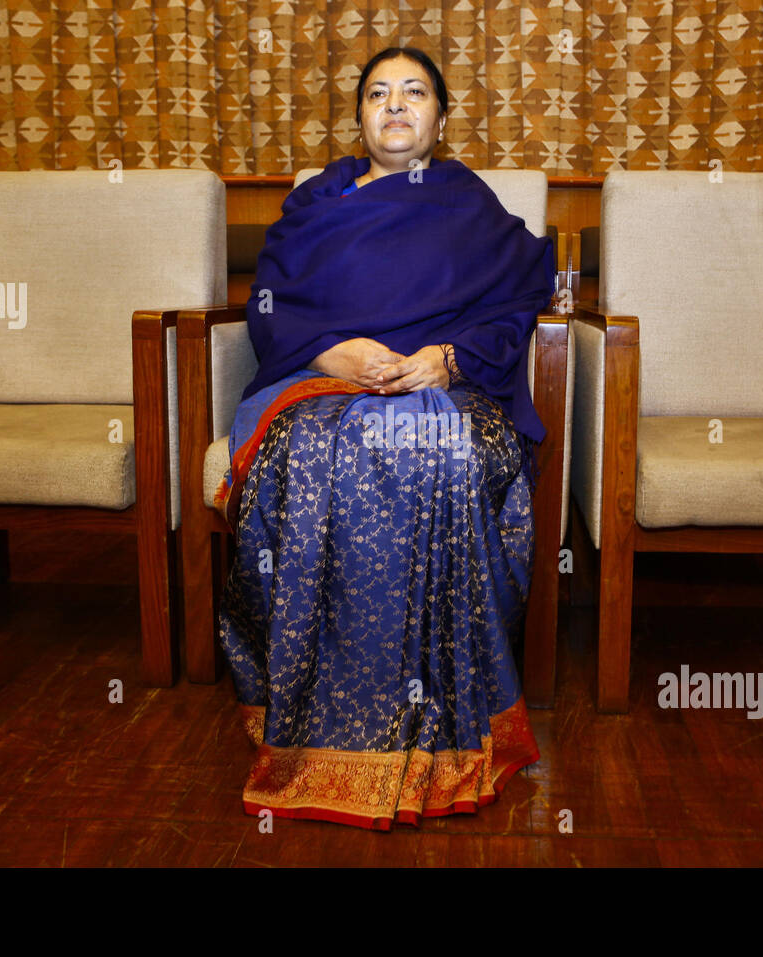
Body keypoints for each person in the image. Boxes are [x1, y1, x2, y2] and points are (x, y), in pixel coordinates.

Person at [215, 46, 555, 830]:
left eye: (413, 92)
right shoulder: (317, 203)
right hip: (323, 385)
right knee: (308, 452)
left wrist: (447, 359)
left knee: (436, 447)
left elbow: (520, 301)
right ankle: (309, 725)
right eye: (377, 93)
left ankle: (447, 727)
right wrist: (330, 352)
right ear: (360, 116)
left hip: (449, 388)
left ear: (441, 116)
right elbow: (269, 305)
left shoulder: (467, 203)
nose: (395, 105)